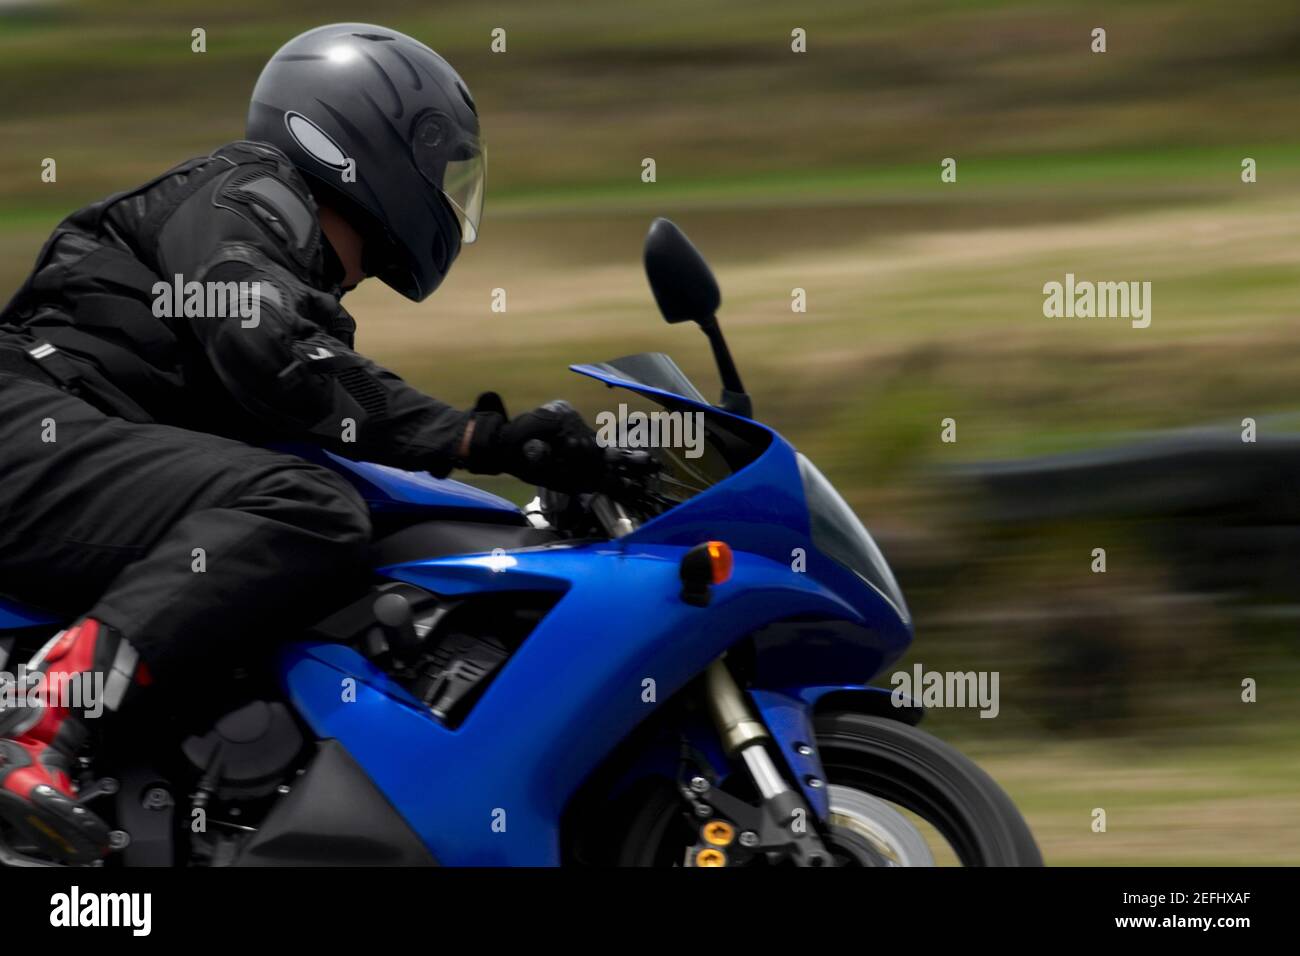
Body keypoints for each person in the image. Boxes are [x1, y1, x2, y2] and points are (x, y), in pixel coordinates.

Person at [0, 22, 604, 863]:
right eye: (440, 163)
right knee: (303, 505)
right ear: (365, 137)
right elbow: (273, 350)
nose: (447, 194)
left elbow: (305, 386)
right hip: (23, 423)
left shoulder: (288, 257)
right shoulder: (246, 195)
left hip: (57, 437)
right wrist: (476, 436)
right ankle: (34, 728)